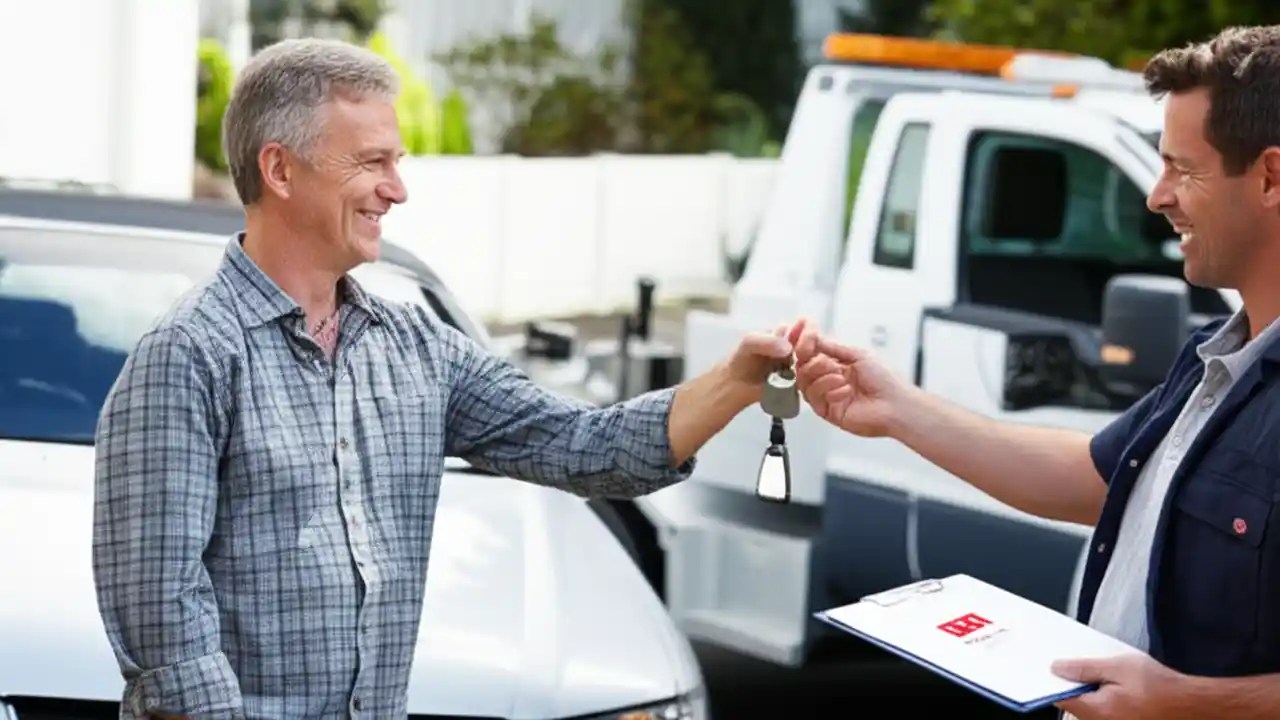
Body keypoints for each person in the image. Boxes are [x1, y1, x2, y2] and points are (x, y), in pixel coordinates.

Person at [91, 38, 811, 720]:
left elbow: (584, 446)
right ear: (280, 170)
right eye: (372, 162)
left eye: (396, 162)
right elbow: (164, 622)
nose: (396, 189)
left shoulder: (416, 350)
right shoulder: (186, 356)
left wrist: (738, 380)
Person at [794, 24, 1280, 720]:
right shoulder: (1215, 355)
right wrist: (897, 408)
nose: (1156, 195)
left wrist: (1187, 704)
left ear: (1269, 177)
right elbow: (1092, 478)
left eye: (1184, 169)